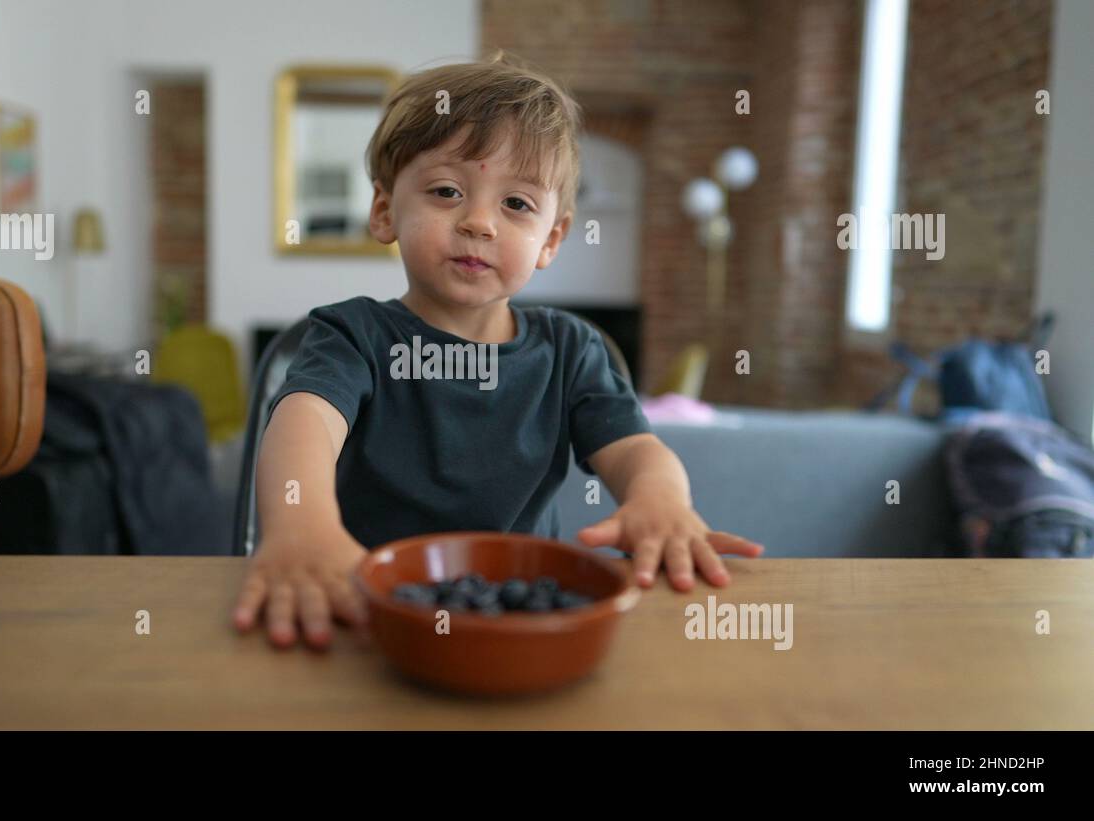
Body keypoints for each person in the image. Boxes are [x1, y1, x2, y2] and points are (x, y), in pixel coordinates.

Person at [234, 51, 763, 650]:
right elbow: (303, 421)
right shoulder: (353, 336)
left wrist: (660, 500)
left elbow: (639, 450)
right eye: (446, 190)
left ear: (551, 238)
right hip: (367, 614)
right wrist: (302, 526)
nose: (480, 223)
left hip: (522, 621)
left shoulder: (571, 352)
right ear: (384, 211)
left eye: (516, 204)